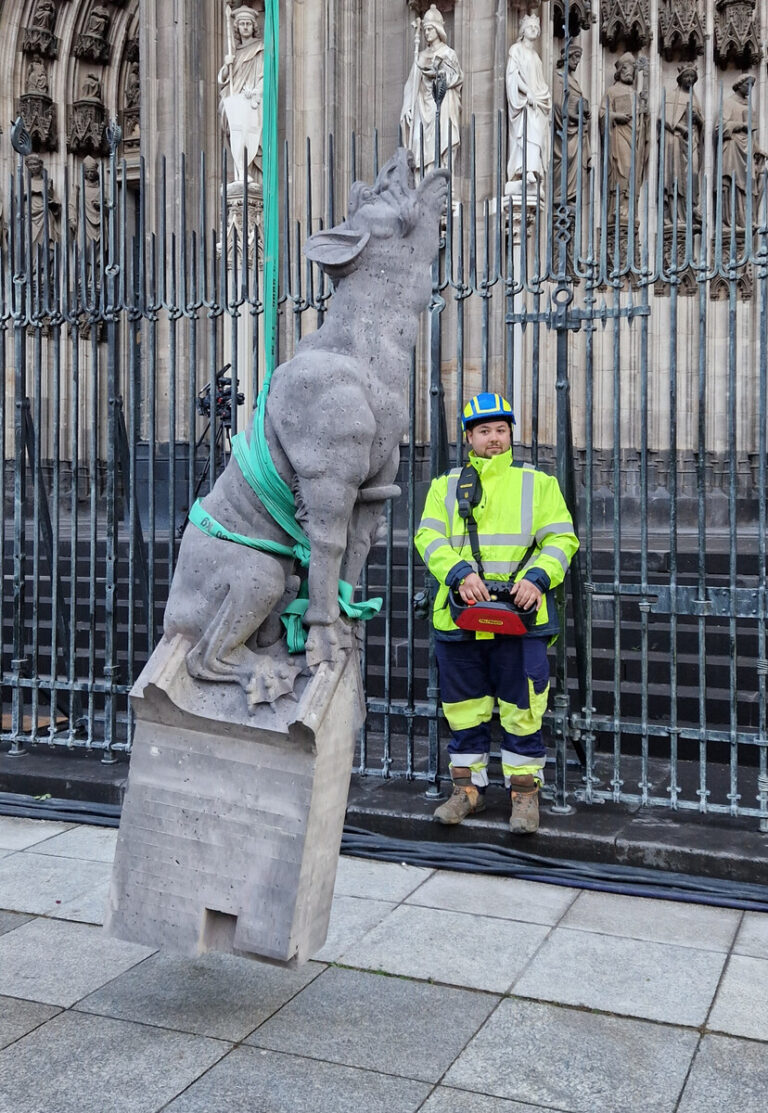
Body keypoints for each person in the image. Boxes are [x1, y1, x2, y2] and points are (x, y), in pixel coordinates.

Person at [414, 393, 579, 834]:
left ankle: (524, 795)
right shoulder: (444, 486)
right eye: (484, 430)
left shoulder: (538, 483)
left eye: (501, 430)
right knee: (463, 709)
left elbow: (562, 539)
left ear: (511, 434)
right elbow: (428, 538)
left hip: (520, 616)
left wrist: (537, 579)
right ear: (469, 437)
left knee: (524, 708)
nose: (494, 438)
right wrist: (459, 574)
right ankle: (466, 791)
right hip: (461, 615)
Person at [400, 4, 462, 174]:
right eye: (425, 29)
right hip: (422, 106)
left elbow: (456, 77)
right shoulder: (420, 56)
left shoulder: (448, 53)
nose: (426, 33)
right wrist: (408, 107)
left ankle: (439, 177)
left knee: (441, 139)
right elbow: (411, 85)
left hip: (441, 104)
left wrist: (439, 74)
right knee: (418, 141)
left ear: (438, 29)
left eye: (429, 29)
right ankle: (422, 180)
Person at [218, 4, 264, 186]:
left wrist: (256, 91)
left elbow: (263, 76)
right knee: (235, 133)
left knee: (248, 133)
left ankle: (246, 170)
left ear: (254, 26)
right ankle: (239, 171)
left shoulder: (260, 48)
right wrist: (226, 66)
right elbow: (224, 79)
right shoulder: (234, 53)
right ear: (237, 28)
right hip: (234, 97)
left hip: (249, 97)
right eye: (242, 24)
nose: (245, 27)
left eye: (248, 24)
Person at [505, 13, 551, 195]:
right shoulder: (516, 50)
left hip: (536, 103)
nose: (533, 29)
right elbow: (513, 76)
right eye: (530, 27)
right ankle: (523, 169)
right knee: (526, 134)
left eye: (536, 27)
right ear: (523, 31)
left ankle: (533, 169)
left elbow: (540, 83)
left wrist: (543, 95)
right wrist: (527, 93)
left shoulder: (537, 57)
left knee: (536, 135)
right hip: (524, 103)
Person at [552, 43, 591, 204]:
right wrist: (575, 116)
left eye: (579, 58)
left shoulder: (573, 81)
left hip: (576, 130)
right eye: (575, 57)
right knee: (565, 158)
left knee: (576, 163)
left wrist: (584, 111)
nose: (577, 61)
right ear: (565, 57)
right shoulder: (559, 78)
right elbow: (557, 104)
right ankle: (560, 197)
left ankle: (570, 198)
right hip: (564, 130)